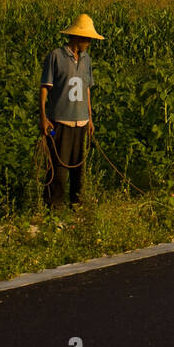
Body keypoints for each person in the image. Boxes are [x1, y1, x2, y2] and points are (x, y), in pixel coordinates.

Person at [40, 14, 103, 208]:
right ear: (77, 37)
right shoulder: (56, 56)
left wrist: (90, 118)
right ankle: (54, 207)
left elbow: (86, 89)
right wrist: (43, 116)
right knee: (58, 168)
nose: (89, 42)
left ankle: (76, 205)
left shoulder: (86, 60)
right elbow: (45, 87)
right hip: (61, 120)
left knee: (78, 168)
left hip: (81, 121)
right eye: (87, 39)